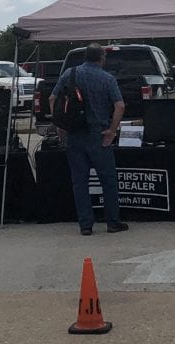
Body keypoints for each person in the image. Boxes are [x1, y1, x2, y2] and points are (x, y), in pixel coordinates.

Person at [52, 43, 129, 236]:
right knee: (108, 180)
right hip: (99, 134)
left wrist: (61, 126)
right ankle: (112, 222)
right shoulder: (107, 79)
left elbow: (53, 99)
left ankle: (85, 225)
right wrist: (112, 131)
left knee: (80, 182)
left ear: (85, 57)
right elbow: (119, 106)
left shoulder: (70, 73)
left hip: (75, 135)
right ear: (101, 58)